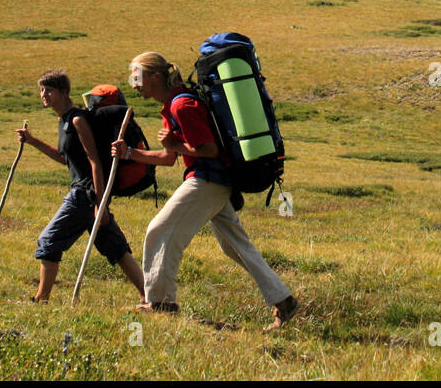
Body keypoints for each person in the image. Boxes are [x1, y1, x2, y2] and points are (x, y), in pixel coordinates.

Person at [111, 51, 299, 331]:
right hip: (214, 181)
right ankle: (284, 301)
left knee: (159, 230)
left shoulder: (182, 105)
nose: (134, 84)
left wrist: (175, 146)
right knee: (235, 247)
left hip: (208, 180)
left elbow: (208, 150)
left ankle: (160, 304)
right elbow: (167, 157)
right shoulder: (172, 106)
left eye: (137, 77)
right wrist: (130, 153)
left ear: (155, 76)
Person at [15, 69, 145, 302]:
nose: (44, 94)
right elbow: (66, 159)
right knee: (116, 248)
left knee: (48, 241)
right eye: (41, 90)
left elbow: (95, 161)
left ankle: (41, 299)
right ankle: (151, 297)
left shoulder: (77, 119)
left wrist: (100, 202)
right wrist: (33, 141)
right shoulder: (63, 120)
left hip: (85, 195)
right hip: (91, 195)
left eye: (49, 90)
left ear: (64, 92)